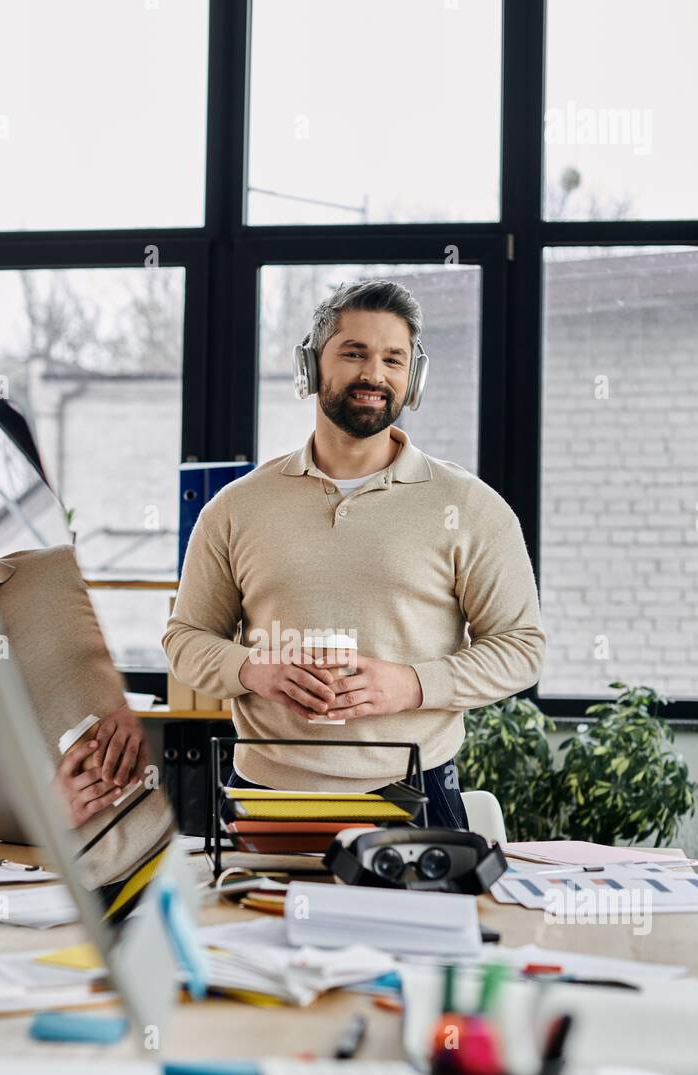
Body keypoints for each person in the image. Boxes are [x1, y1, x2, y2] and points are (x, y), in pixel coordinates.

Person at [164, 278, 546, 829]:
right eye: (354, 353)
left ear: (412, 379)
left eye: (394, 359)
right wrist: (254, 670)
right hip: (266, 793)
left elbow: (521, 648)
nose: (374, 374)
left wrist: (412, 684)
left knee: (422, 920)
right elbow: (185, 640)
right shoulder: (236, 507)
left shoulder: (470, 505)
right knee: (253, 920)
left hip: (412, 791)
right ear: (310, 366)